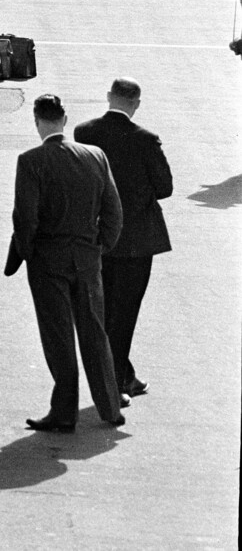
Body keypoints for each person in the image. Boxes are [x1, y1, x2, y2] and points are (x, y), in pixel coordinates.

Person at [7, 93, 126, 433]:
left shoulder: (31, 161)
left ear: (36, 121)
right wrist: (99, 247)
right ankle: (110, 407)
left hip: (48, 260)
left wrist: (30, 253)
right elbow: (113, 212)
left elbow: (25, 219)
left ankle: (64, 412)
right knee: (95, 333)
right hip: (86, 259)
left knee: (58, 337)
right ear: (65, 119)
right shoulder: (95, 156)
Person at [74, 79, 173, 400]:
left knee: (103, 309)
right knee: (125, 313)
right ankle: (115, 384)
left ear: (108, 98)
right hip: (136, 241)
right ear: (137, 103)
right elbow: (165, 188)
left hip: (97, 235)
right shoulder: (146, 140)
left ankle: (124, 375)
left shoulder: (85, 132)